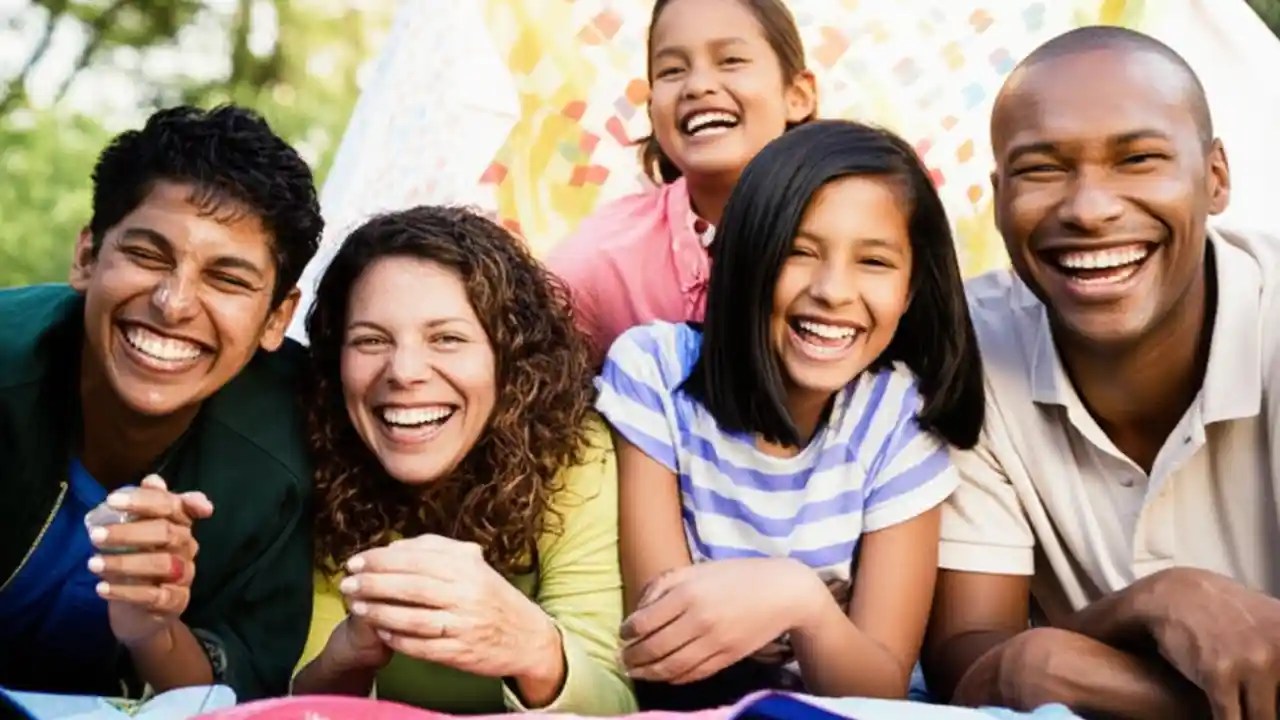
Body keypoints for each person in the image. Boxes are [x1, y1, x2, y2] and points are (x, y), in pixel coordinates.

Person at [922, 26, 1280, 720]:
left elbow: (1026, 670)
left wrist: (1055, 665)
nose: (1089, 209)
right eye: (1041, 169)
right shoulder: (969, 349)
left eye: (1139, 159)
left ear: (1215, 178)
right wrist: (1157, 601)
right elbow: (971, 665)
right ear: (997, 199)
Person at [595, 120, 986, 710]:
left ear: (909, 291)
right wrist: (820, 620)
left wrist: (797, 598)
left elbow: (878, 685)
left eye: (874, 262)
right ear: (746, 258)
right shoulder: (653, 372)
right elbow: (660, 640)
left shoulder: (899, 416)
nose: (833, 290)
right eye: (798, 252)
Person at [0, 105, 323, 699]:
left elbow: (241, 693)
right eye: (147, 256)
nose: (173, 304)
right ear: (88, 257)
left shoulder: (295, 442)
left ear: (278, 316)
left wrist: (156, 624)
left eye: (227, 279)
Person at [290, 206, 636, 715]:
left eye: (447, 338)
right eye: (370, 340)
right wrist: (348, 655)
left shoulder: (577, 452)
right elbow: (289, 705)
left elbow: (620, 708)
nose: (404, 371)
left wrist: (535, 650)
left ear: (510, 356)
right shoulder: (319, 457)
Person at [547, 0, 818, 365]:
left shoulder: (865, 225)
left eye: (731, 61)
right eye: (672, 70)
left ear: (797, 95)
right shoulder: (600, 261)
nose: (698, 85)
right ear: (651, 107)